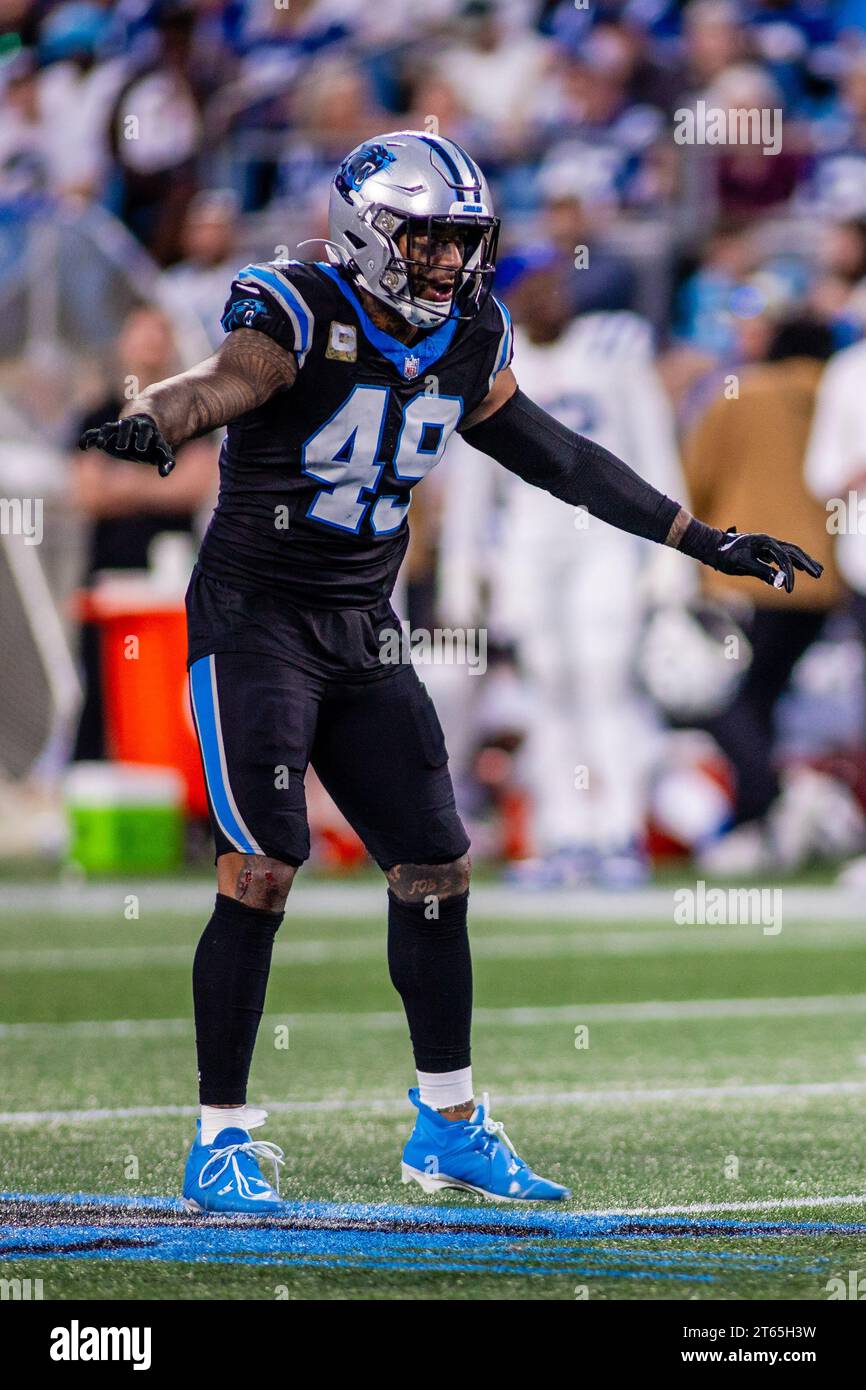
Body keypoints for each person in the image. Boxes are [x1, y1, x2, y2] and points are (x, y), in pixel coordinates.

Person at [80, 131, 822, 1213]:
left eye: (462, 243)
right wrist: (156, 418)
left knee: (434, 865)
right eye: (428, 242)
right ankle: (221, 1138)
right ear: (370, 232)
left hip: (362, 624)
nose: (448, 264)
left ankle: (448, 1123)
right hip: (255, 621)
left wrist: (702, 540)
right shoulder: (297, 306)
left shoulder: (471, 334)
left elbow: (556, 456)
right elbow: (221, 382)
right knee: (264, 863)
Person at [682, 316, 855, 874]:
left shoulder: (738, 395)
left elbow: (693, 478)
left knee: (722, 703)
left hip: (745, 570)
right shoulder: (839, 392)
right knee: (760, 701)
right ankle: (770, 814)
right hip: (820, 577)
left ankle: (771, 807)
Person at [71, 304, 216, 760]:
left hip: (172, 586)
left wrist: (124, 483)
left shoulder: (189, 411)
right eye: (143, 334)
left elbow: (195, 485)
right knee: (101, 686)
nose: (152, 345)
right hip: (110, 578)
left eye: (160, 334)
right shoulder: (99, 412)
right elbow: (89, 492)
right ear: (125, 342)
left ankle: (183, 797)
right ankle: (91, 784)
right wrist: (159, 479)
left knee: (175, 696)